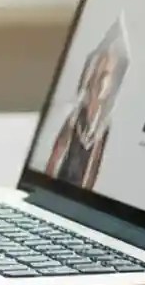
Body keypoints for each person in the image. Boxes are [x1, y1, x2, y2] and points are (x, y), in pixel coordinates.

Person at [44, 48, 120, 188]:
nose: (100, 81)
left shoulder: (104, 127)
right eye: (96, 73)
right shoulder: (74, 116)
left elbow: (94, 170)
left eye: (106, 75)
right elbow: (55, 156)